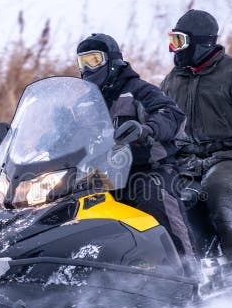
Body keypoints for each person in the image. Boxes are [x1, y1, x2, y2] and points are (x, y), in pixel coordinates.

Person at [160, 10, 232, 285]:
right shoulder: (173, 80)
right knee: (161, 194)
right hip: (188, 159)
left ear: (201, 43)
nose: (174, 49)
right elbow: (163, 122)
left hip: (229, 157)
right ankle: (179, 271)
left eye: (179, 41)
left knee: (219, 190)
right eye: (172, 41)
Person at [76, 33, 198, 279]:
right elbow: (68, 134)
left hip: (149, 167)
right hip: (103, 174)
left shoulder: (138, 91)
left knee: (153, 195)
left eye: (94, 60)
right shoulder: (84, 102)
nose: (88, 68)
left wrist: (147, 129)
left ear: (112, 61)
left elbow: (172, 115)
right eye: (83, 62)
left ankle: (189, 272)